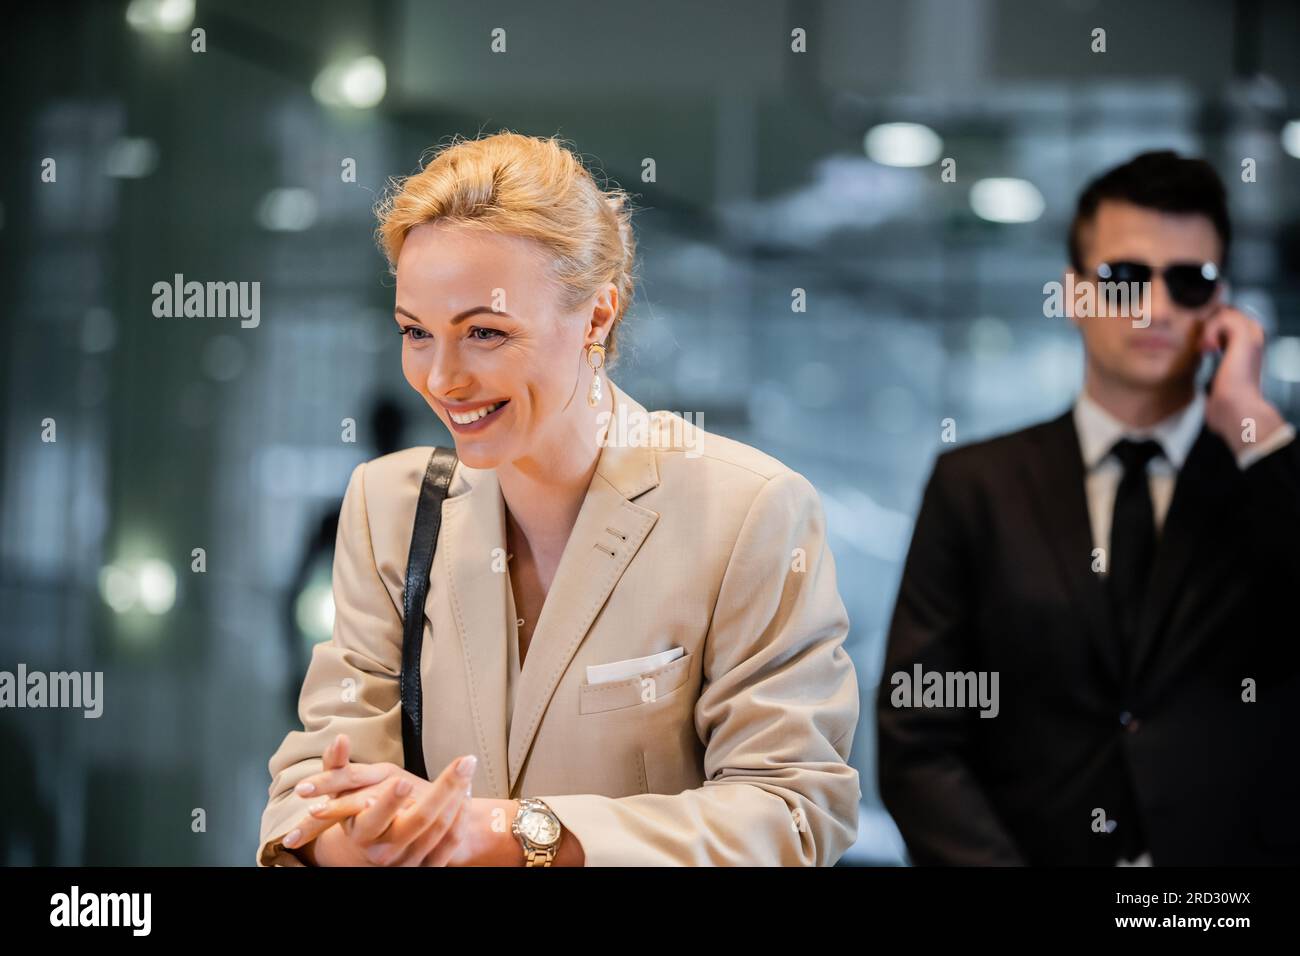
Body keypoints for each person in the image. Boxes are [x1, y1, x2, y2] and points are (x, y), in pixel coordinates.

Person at [257, 131, 860, 867]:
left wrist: (512, 834)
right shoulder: (387, 506)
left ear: (596, 319)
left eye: (484, 332)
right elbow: (308, 793)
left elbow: (792, 814)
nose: (443, 379)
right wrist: (367, 835)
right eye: (416, 332)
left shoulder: (748, 511)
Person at [877, 150, 1299, 865]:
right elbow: (920, 730)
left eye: (1189, 282)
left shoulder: (1264, 478)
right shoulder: (975, 484)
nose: (1158, 307)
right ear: (1074, 294)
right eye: (1126, 278)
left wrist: (1254, 423)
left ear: (1222, 305)